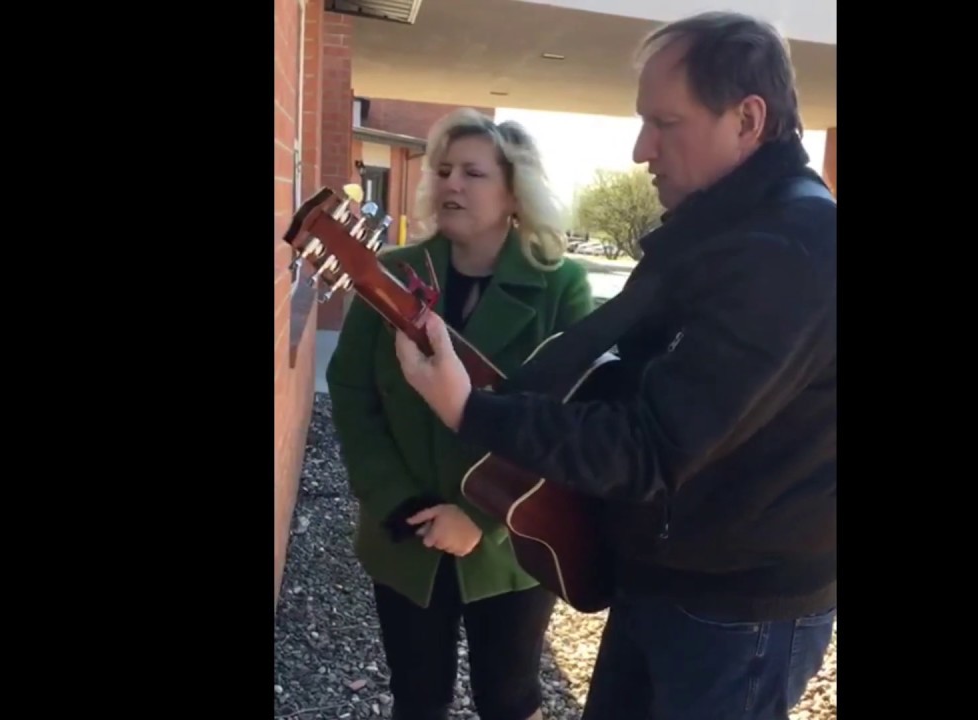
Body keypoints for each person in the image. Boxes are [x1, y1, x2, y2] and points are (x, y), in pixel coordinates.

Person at [391, 12, 836, 720]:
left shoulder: (790, 251)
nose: (639, 149)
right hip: (665, 577)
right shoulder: (719, 230)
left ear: (748, 119)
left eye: (665, 123)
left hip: (738, 612)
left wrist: (470, 410)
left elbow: (653, 446)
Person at [326, 108, 594, 720]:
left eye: (473, 173)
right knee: (417, 697)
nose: (451, 183)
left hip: (512, 542)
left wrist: (480, 516)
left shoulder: (562, 288)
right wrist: (397, 501)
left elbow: (570, 417)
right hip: (406, 532)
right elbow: (350, 390)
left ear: (513, 194)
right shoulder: (392, 274)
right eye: (443, 169)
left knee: (510, 696)